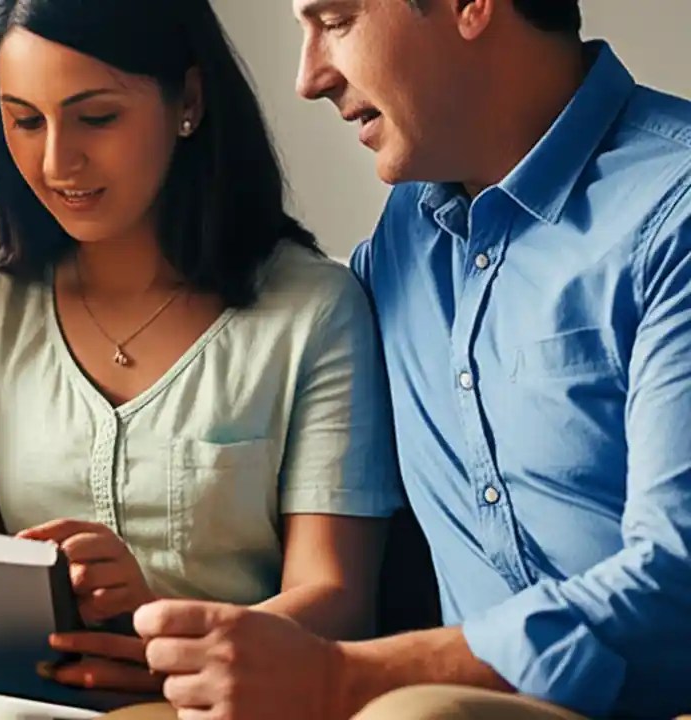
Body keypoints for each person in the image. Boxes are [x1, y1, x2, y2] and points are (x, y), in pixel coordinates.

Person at [134, 1, 691, 718]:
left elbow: (676, 582)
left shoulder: (673, 213)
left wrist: (342, 678)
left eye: (335, 20)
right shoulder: (402, 244)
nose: (308, 78)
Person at [0, 0, 402, 703]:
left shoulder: (314, 312)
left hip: (231, 705)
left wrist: (164, 644)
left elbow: (336, 599)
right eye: (26, 120)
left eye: (96, 117)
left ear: (190, 101)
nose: (57, 161)